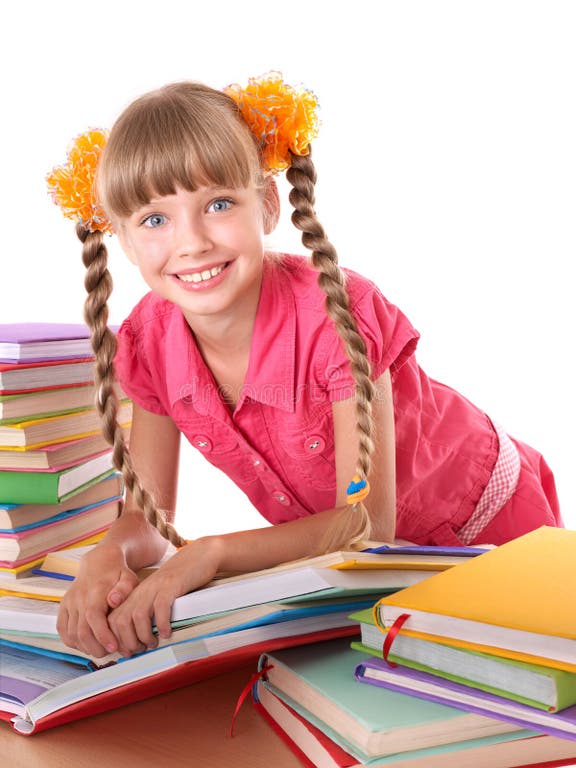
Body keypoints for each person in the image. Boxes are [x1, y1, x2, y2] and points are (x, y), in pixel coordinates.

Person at [47, 72, 562, 661]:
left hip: (488, 526)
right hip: (358, 575)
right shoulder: (149, 341)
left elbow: (367, 519)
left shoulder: (336, 316)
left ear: (266, 205)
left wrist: (212, 551)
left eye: (218, 204)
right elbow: (147, 517)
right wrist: (108, 554)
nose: (190, 243)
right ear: (125, 240)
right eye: (155, 220)